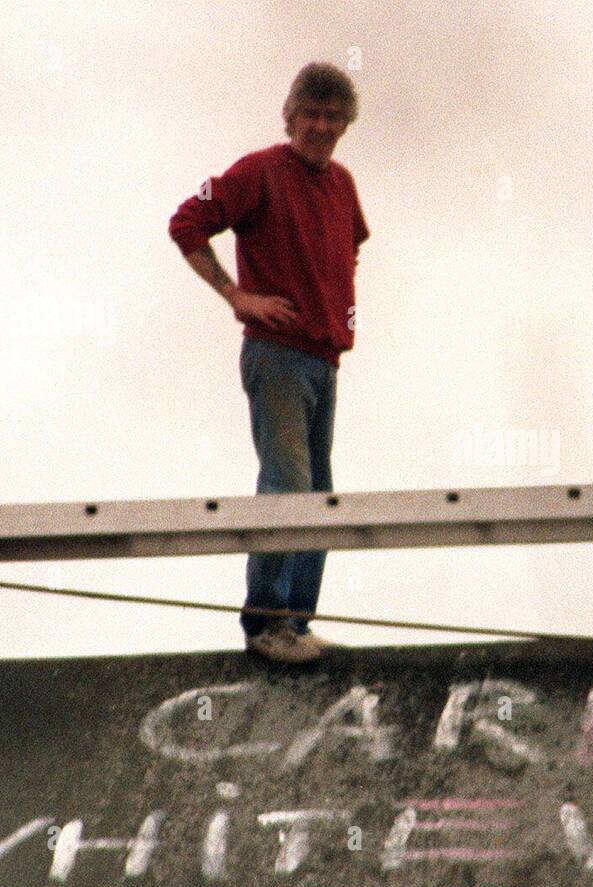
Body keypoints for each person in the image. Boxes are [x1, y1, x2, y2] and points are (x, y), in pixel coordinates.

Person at [168, 62, 369, 663]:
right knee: (287, 483)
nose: (321, 125)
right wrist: (238, 296)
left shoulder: (343, 184)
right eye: (311, 113)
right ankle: (266, 624)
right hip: (276, 355)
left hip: (322, 360)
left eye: (334, 116)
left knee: (319, 492)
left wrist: (332, 309)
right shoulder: (258, 171)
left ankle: (298, 622)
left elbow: (350, 246)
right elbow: (187, 223)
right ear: (290, 117)